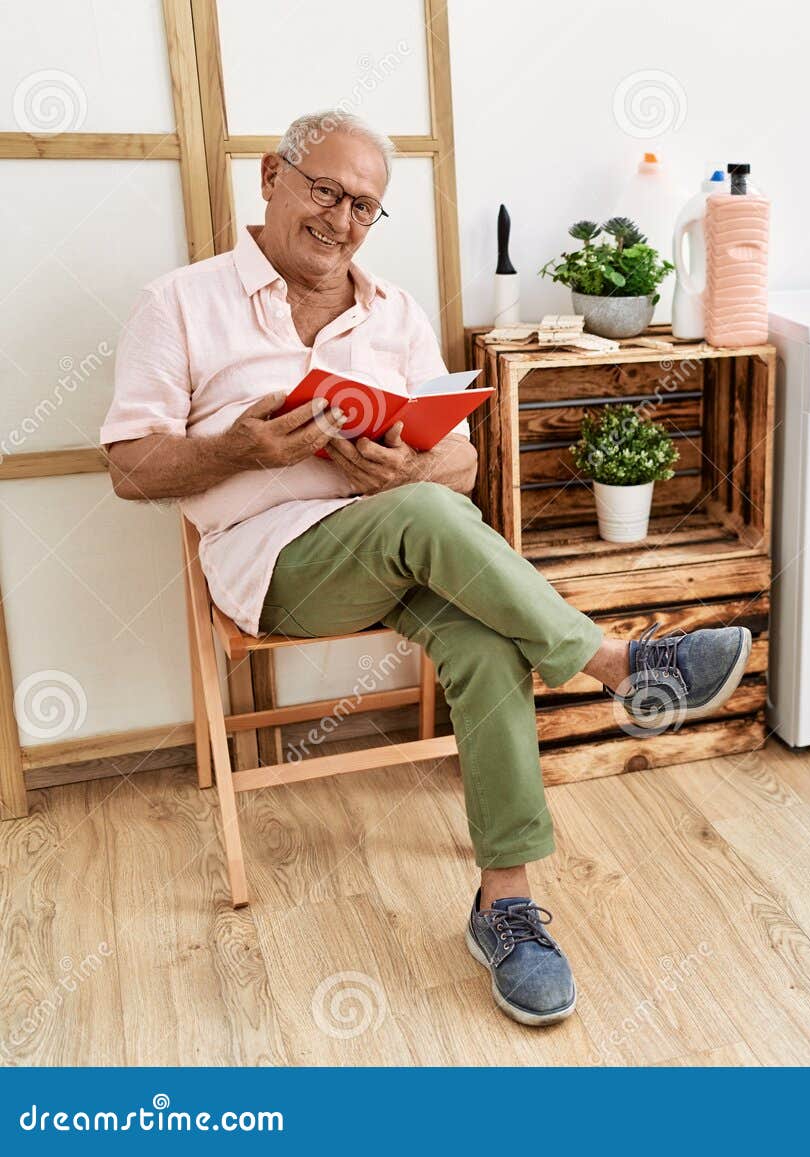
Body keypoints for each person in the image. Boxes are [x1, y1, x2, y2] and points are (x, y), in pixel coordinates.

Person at [99, 109, 750, 1027]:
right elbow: (130, 465)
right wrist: (241, 449)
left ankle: (505, 905)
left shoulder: (393, 311)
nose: (341, 219)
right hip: (275, 569)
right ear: (271, 179)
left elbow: (463, 465)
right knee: (424, 515)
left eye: (365, 206)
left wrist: (406, 466)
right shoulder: (179, 302)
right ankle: (623, 664)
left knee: (482, 631)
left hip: (407, 543)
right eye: (325, 190)